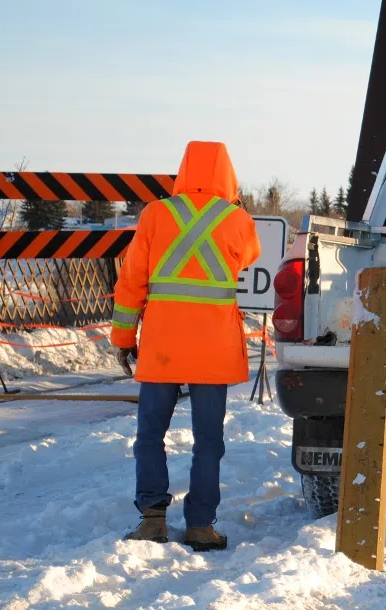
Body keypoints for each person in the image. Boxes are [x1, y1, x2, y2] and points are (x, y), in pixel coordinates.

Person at [111, 141, 261, 550]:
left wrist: (124, 339)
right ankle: (201, 525)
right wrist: (232, 208)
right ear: (227, 176)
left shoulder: (156, 214)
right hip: (213, 348)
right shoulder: (238, 220)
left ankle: (153, 518)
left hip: (163, 346)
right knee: (208, 440)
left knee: (150, 433)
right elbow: (248, 256)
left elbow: (131, 282)